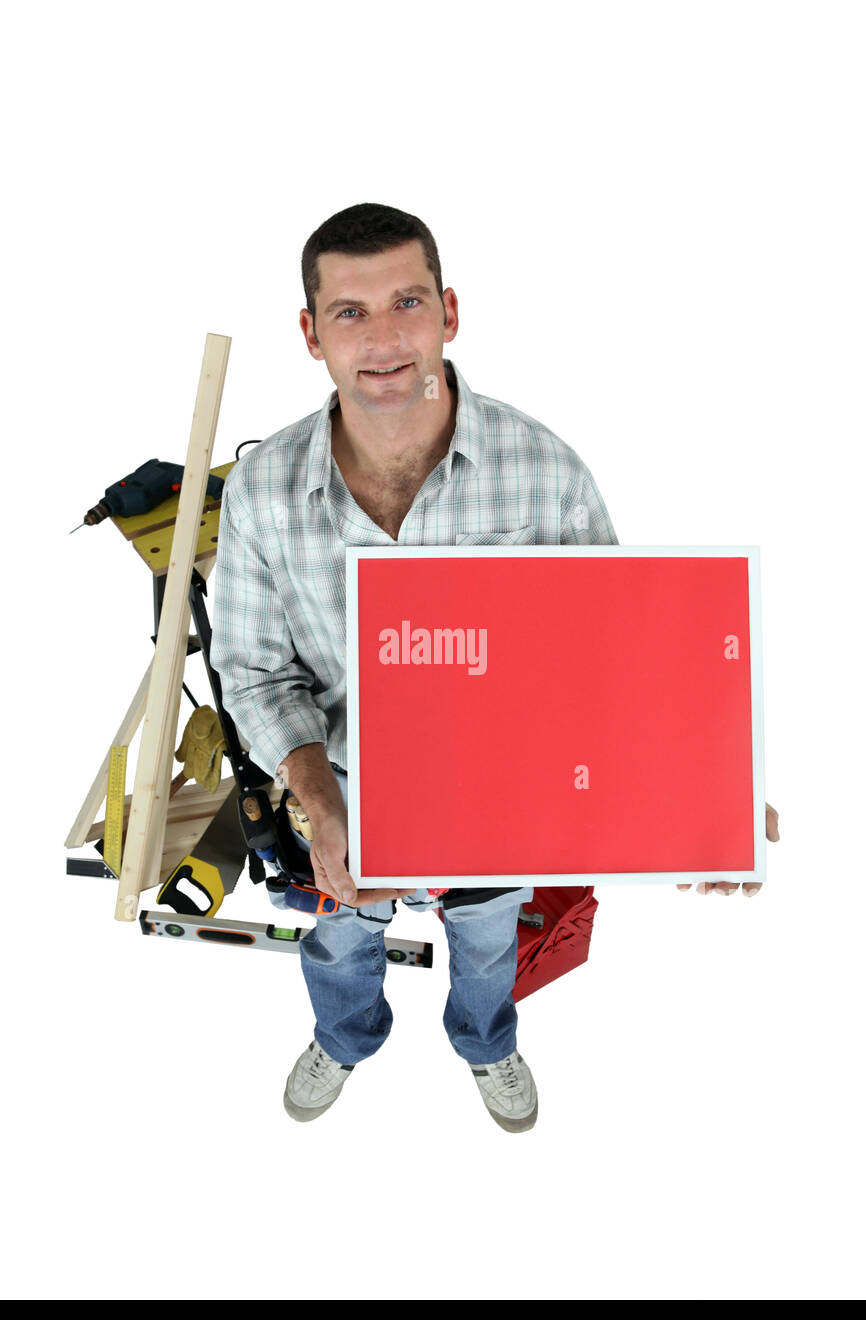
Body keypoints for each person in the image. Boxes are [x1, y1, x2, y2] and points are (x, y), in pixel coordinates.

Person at [209, 202, 774, 1133]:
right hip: (344, 793)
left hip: (506, 801)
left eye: (407, 302)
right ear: (311, 334)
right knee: (342, 940)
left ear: (450, 312)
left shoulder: (545, 472)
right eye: (350, 312)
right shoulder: (266, 491)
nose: (385, 339)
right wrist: (320, 801)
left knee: (482, 944)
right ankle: (347, 1038)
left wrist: (709, 792)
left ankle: (485, 1041)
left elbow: (620, 658)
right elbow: (252, 667)